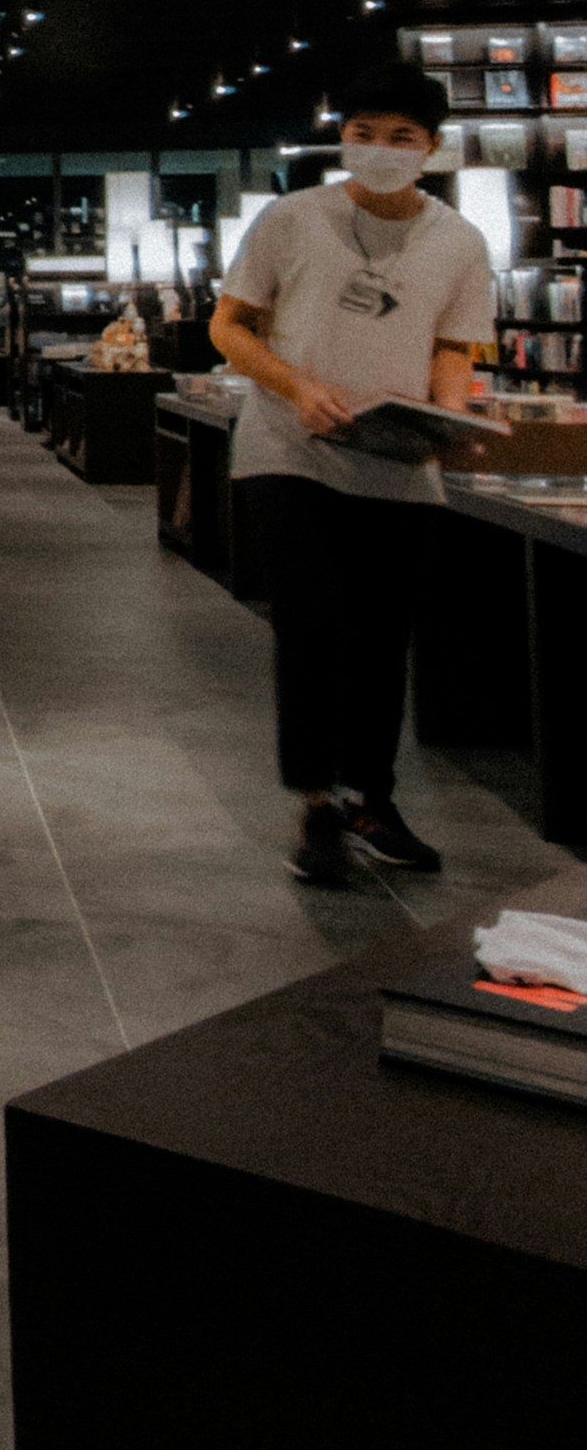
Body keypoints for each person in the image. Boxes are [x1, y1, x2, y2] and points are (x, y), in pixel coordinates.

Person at [208, 58, 495, 886]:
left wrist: (451, 414)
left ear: (432, 149)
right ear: (342, 139)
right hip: (287, 450)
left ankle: (372, 796)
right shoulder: (292, 219)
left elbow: (452, 347)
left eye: (400, 138)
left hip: (396, 461)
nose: (378, 149)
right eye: (362, 134)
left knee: (381, 638)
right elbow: (229, 328)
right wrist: (299, 387)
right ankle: (316, 804)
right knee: (311, 627)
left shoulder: (458, 241)